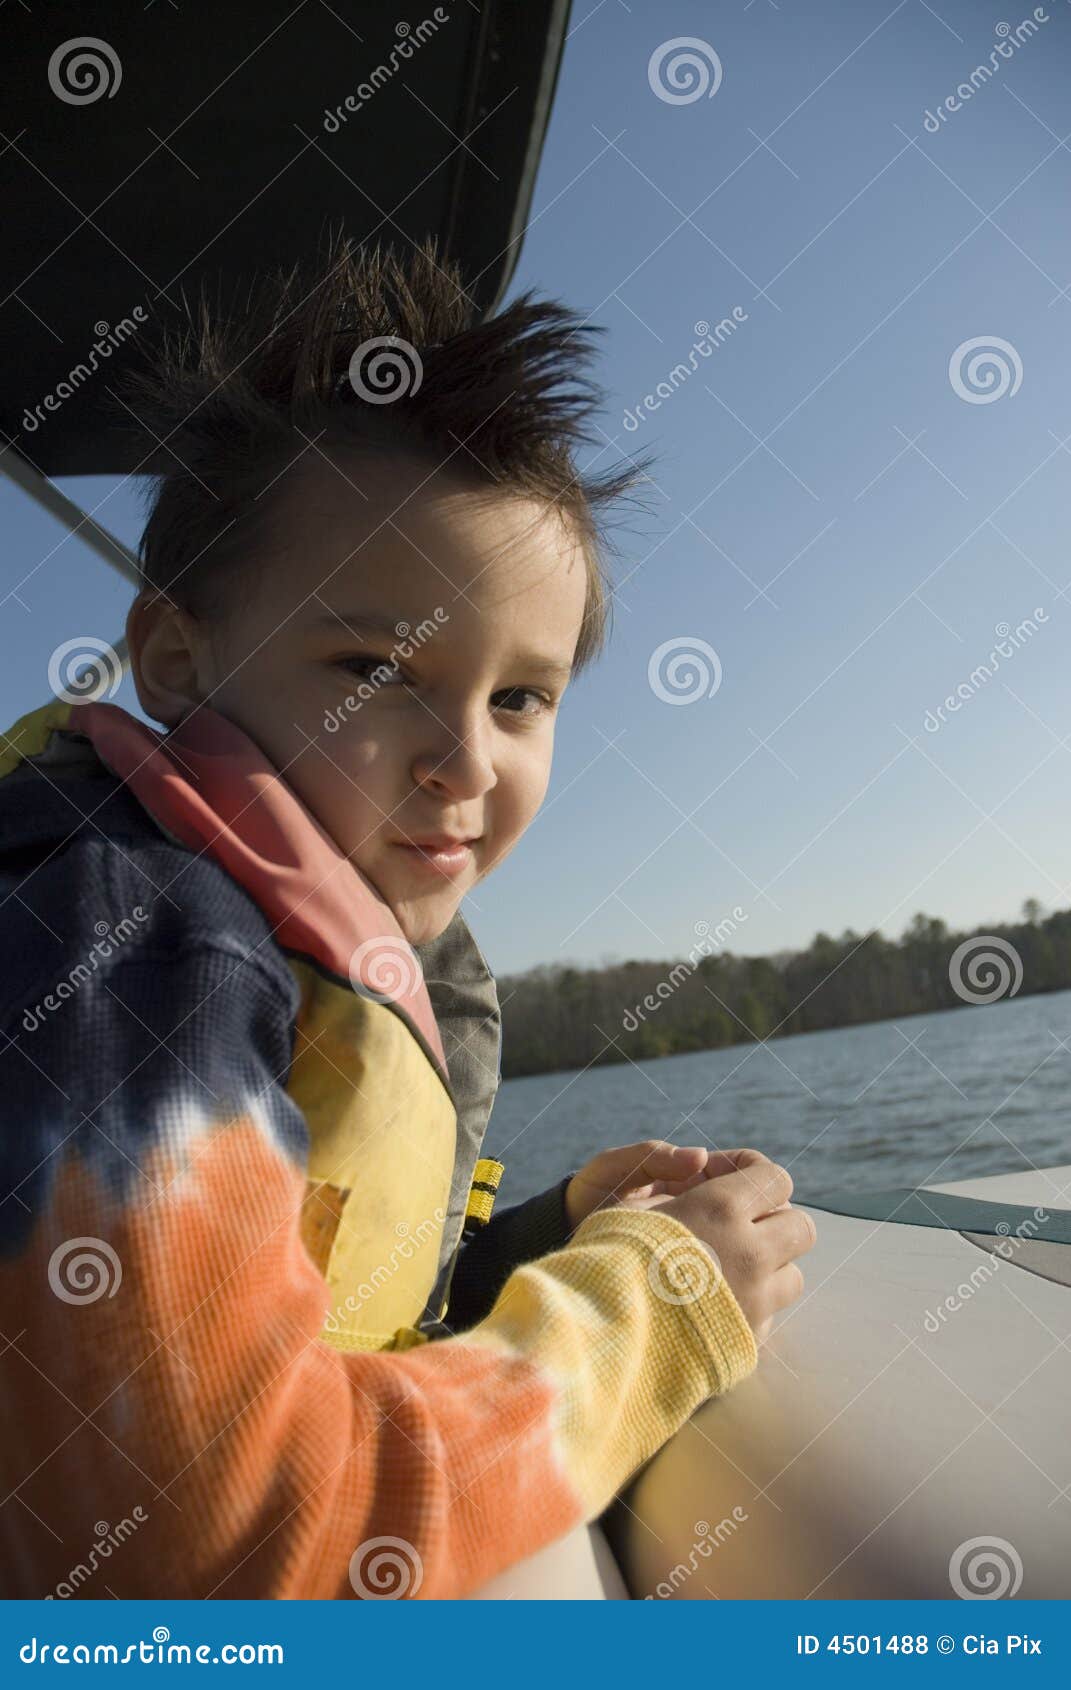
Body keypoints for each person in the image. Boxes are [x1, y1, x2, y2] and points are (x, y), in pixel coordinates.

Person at [0, 233, 815, 1600]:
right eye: (378, 666)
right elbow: (210, 1533)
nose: (469, 763)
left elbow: (317, 1315)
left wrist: (535, 1240)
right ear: (175, 654)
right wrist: (650, 1308)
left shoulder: (257, 938)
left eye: (521, 697)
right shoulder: (139, 952)